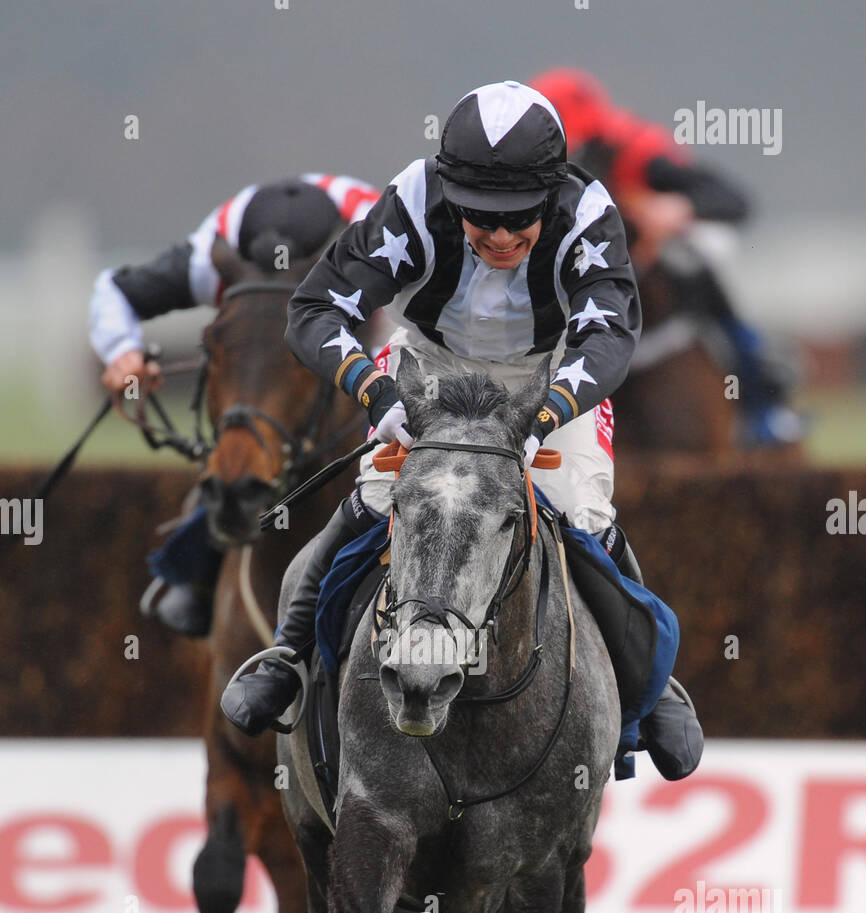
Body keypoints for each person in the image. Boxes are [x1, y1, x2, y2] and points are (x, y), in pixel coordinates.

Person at [220, 80, 703, 781]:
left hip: (548, 372)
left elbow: (608, 338)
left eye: (518, 219)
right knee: (378, 498)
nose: (502, 236)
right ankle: (290, 655)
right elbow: (314, 308)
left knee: (582, 508)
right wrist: (374, 389)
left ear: (551, 192)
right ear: (452, 191)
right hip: (429, 366)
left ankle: (650, 686)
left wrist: (544, 416)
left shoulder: (587, 210)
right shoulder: (414, 199)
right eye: (481, 217)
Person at [87, 173, 380, 634]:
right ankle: (199, 568)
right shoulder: (209, 258)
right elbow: (114, 290)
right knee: (239, 444)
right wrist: (123, 352)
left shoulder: (382, 240)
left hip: (364, 325)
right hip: (266, 317)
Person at [528, 68, 802, 446]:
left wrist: (678, 206)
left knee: (698, 258)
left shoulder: (635, 149)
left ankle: (758, 389)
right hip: (576, 263)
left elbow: (733, 201)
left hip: (650, 256)